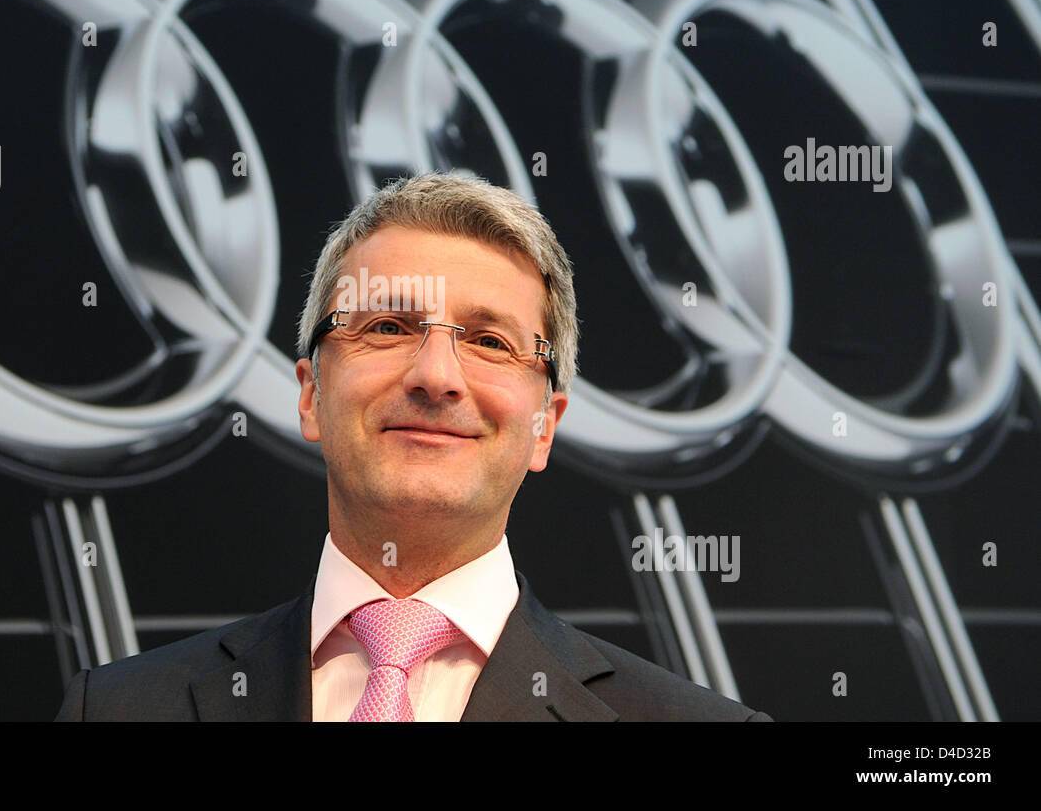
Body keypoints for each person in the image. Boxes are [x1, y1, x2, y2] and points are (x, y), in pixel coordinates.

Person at [54, 172, 771, 721]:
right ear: (310, 394)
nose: (435, 376)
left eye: (489, 342)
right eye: (389, 327)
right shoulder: (115, 710)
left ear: (544, 425)